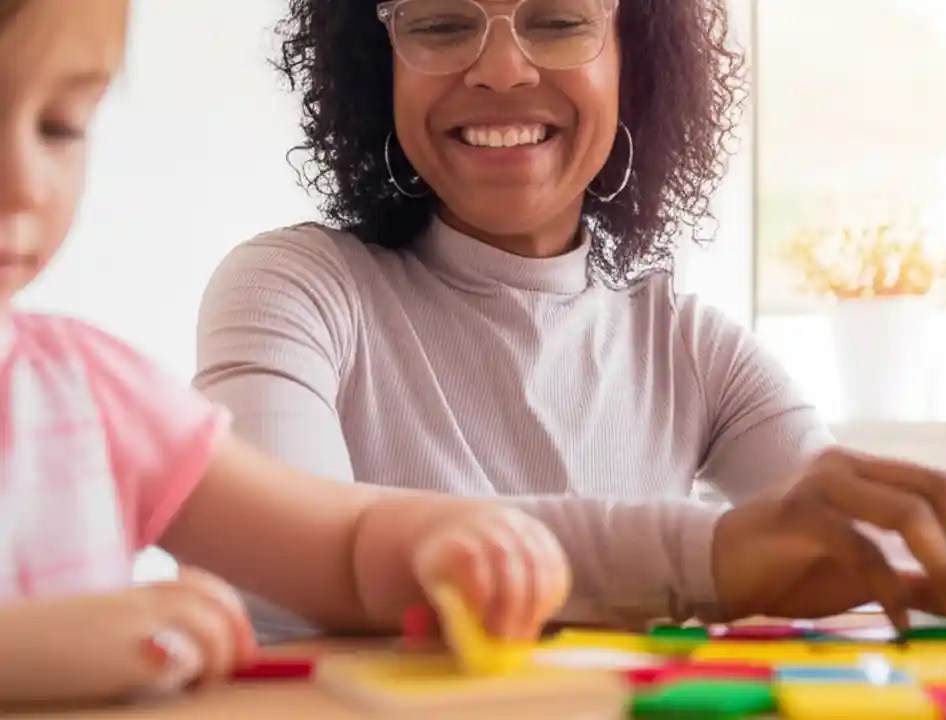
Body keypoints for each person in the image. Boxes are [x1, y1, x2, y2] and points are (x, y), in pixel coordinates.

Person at [196, 0, 946, 653]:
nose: (501, 67)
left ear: (635, 62)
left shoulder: (690, 343)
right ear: (375, 66)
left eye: (560, 18)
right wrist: (711, 558)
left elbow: (859, 544)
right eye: (438, 23)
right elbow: (283, 553)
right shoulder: (292, 287)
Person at [0, 0, 573, 707]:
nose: (22, 184)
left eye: (58, 127)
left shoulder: (85, 390)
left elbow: (340, 550)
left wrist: (439, 543)